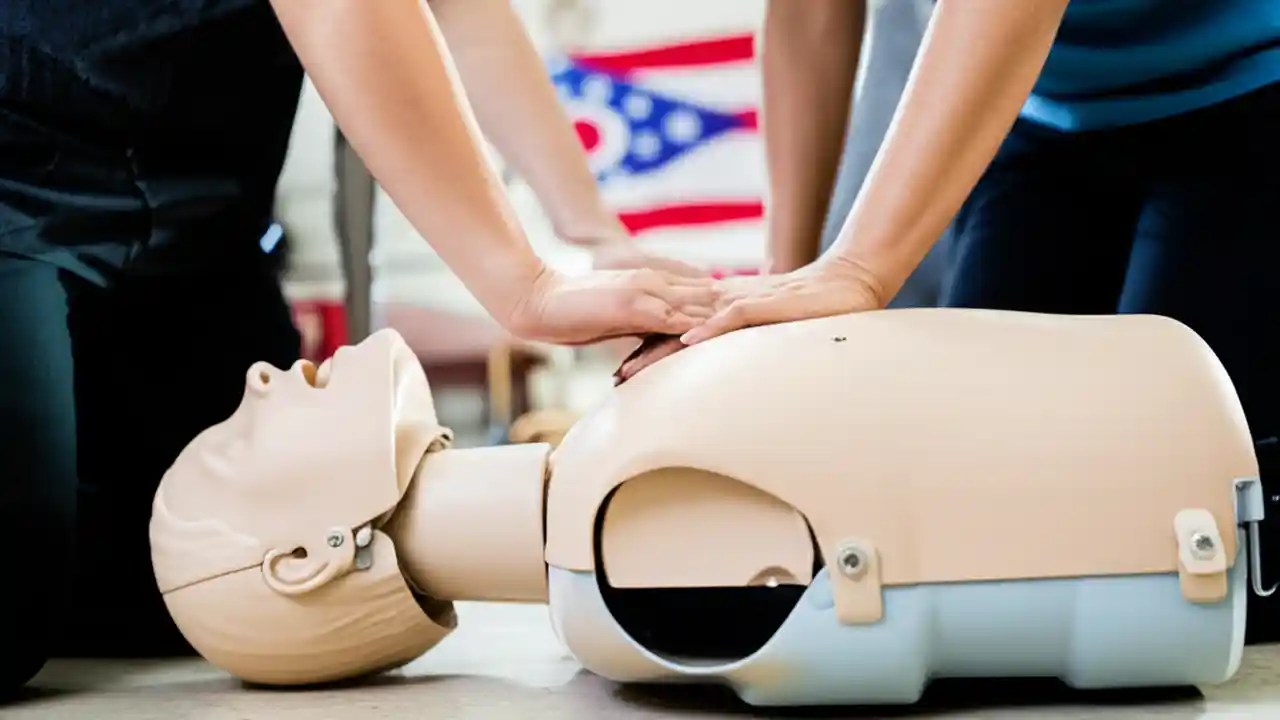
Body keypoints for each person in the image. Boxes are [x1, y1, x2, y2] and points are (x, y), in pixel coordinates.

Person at [0, 0, 717, 691]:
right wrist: (525, 287)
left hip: (203, 235)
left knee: (210, 599)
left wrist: (595, 236)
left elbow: (465, 14)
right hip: (17, 180)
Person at [617, 0, 1278, 638]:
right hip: (1045, 111)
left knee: (1203, 537)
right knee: (980, 526)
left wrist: (856, 270)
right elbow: (810, 14)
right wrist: (781, 284)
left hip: (1249, 83)